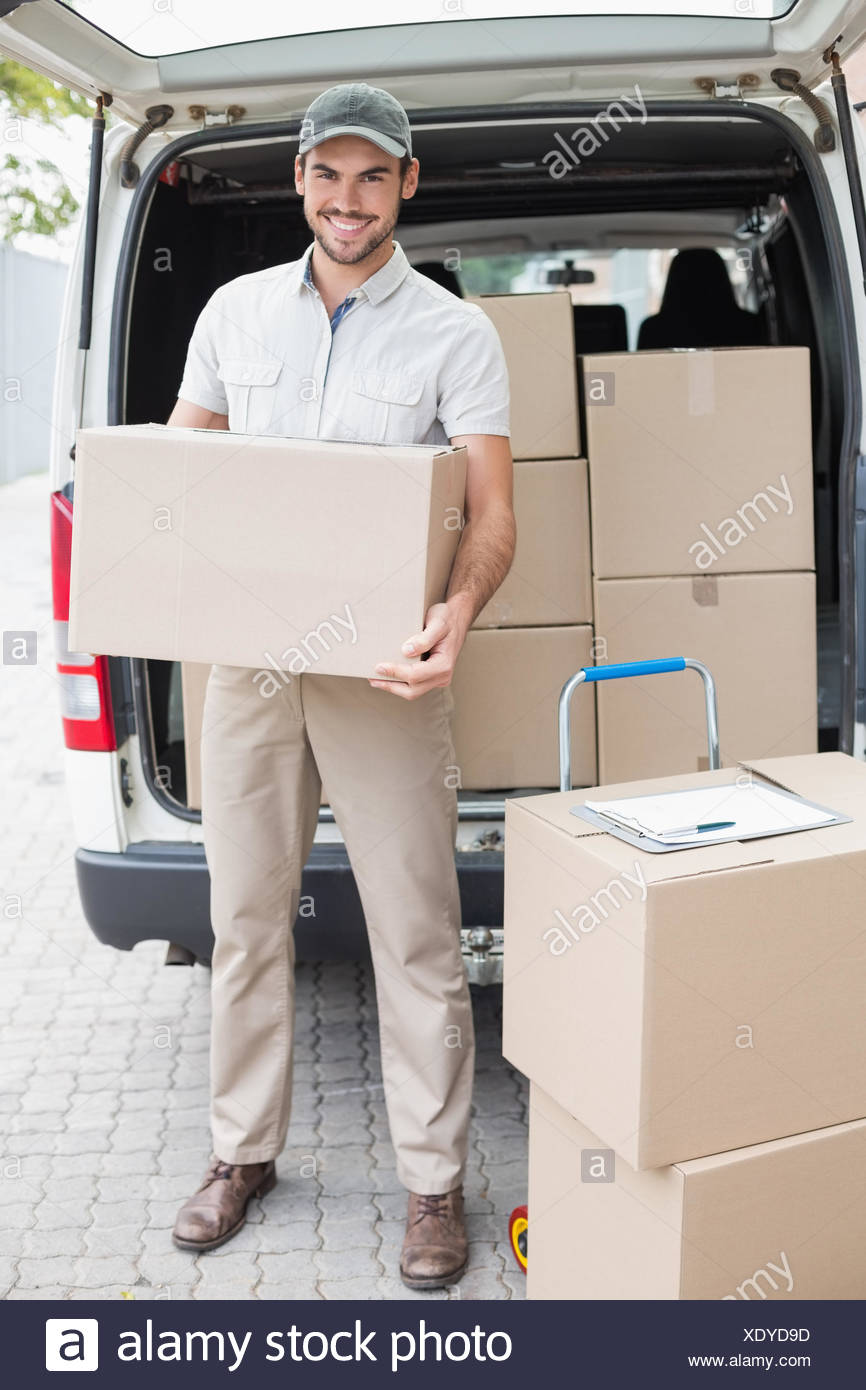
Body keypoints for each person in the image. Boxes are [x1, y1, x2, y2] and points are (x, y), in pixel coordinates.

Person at [167, 81, 514, 1290]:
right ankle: (240, 1153)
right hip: (251, 666)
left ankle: (433, 1181)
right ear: (298, 179)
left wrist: (455, 616)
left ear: (407, 182)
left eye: (373, 175)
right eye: (328, 174)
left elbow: (492, 513)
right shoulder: (233, 313)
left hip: (383, 670)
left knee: (414, 928)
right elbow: (183, 472)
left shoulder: (454, 334)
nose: (347, 199)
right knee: (243, 920)